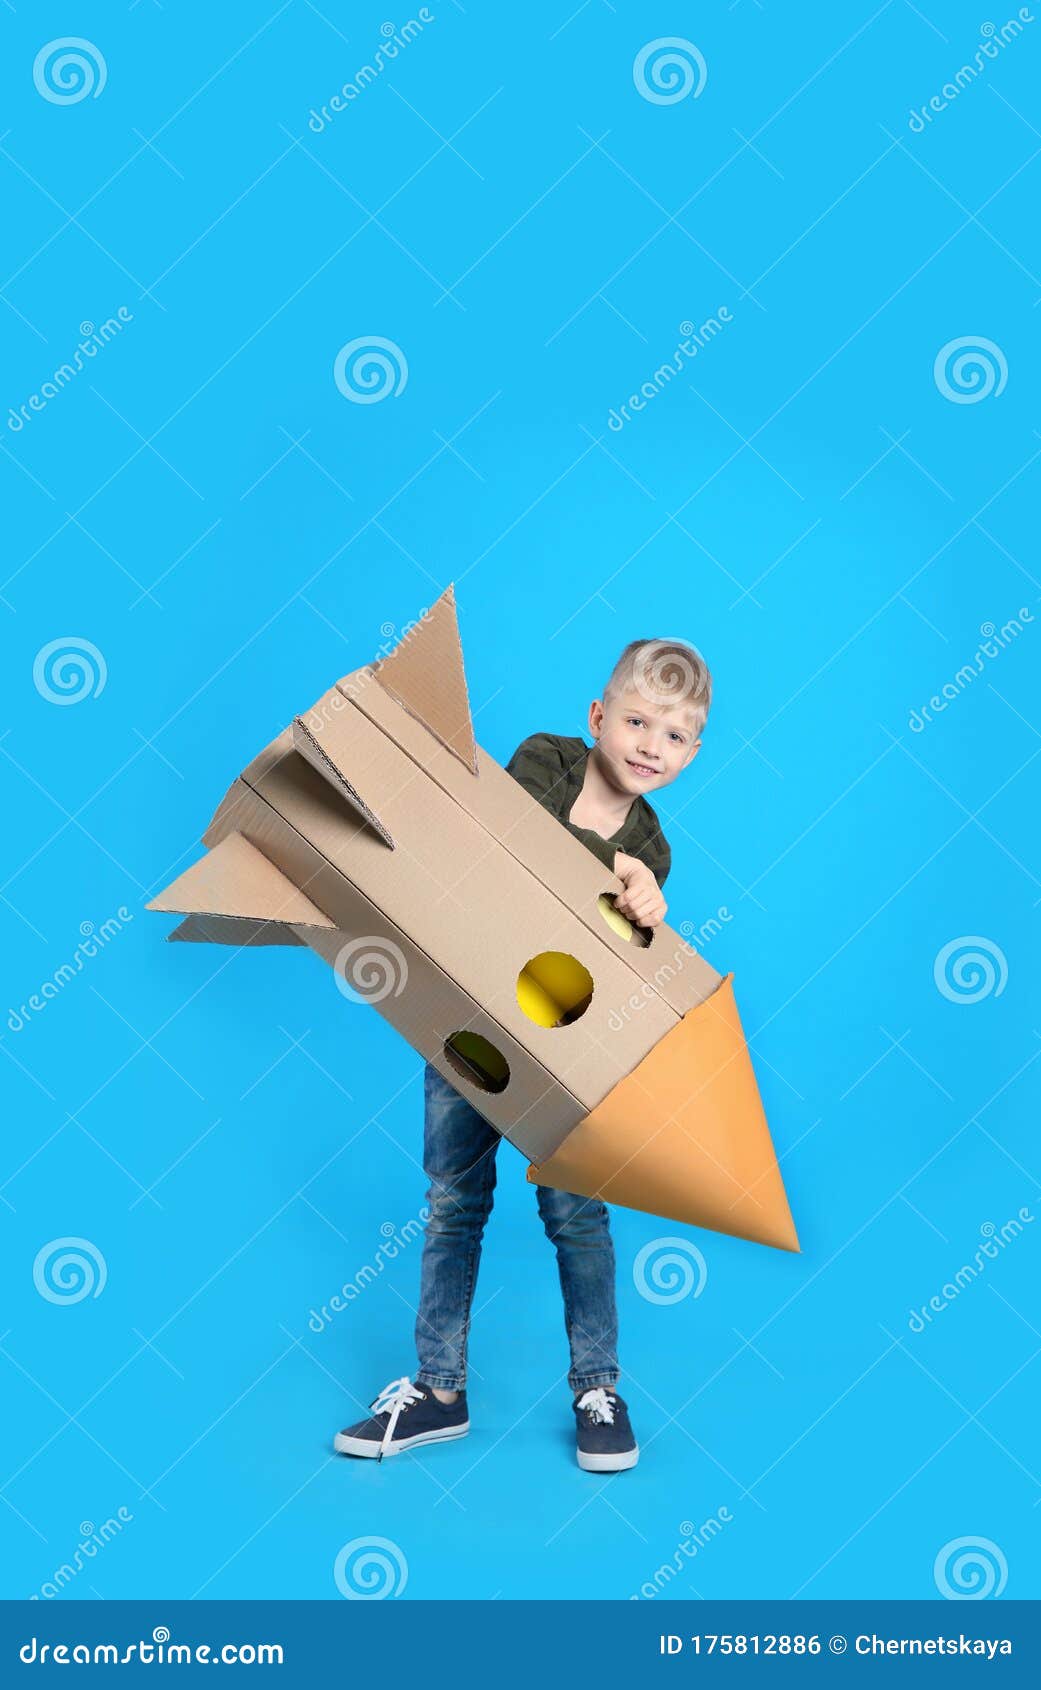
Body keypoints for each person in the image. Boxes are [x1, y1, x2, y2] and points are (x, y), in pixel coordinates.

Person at [334, 636, 711, 1469]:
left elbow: (621, 955)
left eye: (674, 735)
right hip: (470, 1023)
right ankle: (439, 1391)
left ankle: (597, 1388)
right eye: (636, 722)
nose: (650, 745)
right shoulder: (546, 761)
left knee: (577, 1215)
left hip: (562, 1053)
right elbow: (511, 845)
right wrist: (609, 875)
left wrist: (647, 900)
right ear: (597, 717)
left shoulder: (652, 849)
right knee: (453, 1203)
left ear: (691, 753)